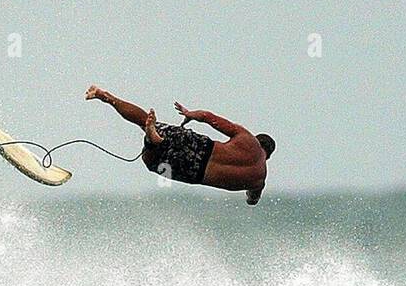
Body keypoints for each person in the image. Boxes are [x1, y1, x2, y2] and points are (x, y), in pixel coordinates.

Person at [86, 85, 274, 205]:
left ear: (258, 140)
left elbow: (209, 118)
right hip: (195, 172)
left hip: (200, 146)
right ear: (269, 156)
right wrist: (252, 194)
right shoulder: (258, 180)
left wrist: (190, 114)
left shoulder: (248, 140)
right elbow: (252, 200)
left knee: (144, 122)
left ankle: (107, 97)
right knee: (151, 162)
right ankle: (154, 142)